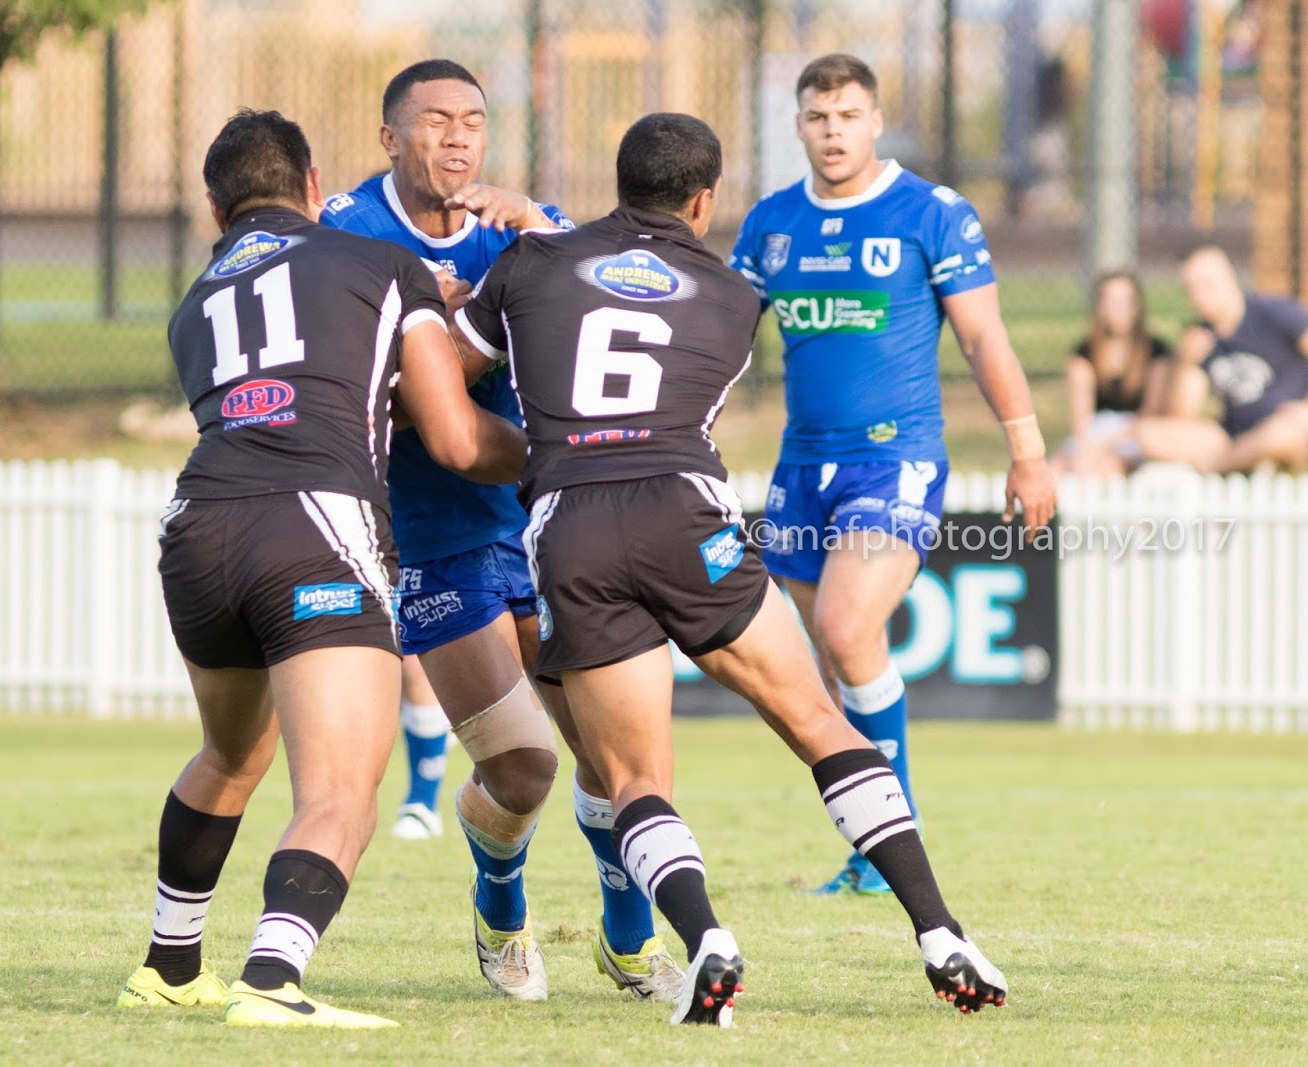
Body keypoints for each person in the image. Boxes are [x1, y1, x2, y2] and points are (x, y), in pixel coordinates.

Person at [453, 110, 1009, 1027]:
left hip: (573, 525)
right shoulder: (731, 298)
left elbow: (453, 361)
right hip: (688, 515)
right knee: (814, 717)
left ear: (617, 178)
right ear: (704, 201)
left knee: (634, 779)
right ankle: (939, 928)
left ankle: (705, 935)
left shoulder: (527, 266)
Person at [115, 108, 526, 1029]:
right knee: (339, 791)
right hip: (315, 526)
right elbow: (457, 438)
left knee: (230, 753)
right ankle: (272, 974)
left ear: (214, 214)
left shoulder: (195, 304)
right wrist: (546, 453)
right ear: (313, 188)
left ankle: (170, 966)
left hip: (196, 527)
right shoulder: (379, 264)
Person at [321, 58, 684, 1001]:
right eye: (435, 121)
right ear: (390, 137)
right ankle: (499, 897)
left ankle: (628, 935)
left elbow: (611, 320)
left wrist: (549, 234)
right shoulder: (347, 237)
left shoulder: (525, 230)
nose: (457, 138)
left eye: (473, 122)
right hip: (437, 534)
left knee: (616, 761)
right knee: (523, 769)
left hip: (548, 524)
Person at [730, 54, 1056, 897]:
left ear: (876, 122)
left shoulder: (931, 213)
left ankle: (894, 832)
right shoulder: (770, 223)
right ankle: (872, 845)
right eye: (816, 116)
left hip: (896, 457)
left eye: (847, 115)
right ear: (797, 126)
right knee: (833, 671)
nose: (832, 131)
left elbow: (985, 340)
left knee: (845, 626)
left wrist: (1028, 452)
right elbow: (723, 345)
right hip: (803, 467)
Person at [1128, 246, 1308, 474]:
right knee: (1148, 434)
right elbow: (1182, 416)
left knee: (1286, 432)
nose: (1199, 296)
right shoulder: (1200, 337)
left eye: (1206, 285)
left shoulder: (1274, 313)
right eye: (1191, 289)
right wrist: (1185, 364)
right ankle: (1250, 460)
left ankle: (1221, 465)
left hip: (1283, 424)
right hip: (1232, 434)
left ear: (1230, 276)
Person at [1051, 272, 1172, 476]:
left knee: (1107, 468)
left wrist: (1106, 446)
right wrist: (1089, 448)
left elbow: (1151, 413)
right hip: (1097, 432)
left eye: (1125, 302)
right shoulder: (1084, 354)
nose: (1118, 309)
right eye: (1111, 302)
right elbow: (1081, 420)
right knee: (1056, 467)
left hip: (1136, 434)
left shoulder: (1156, 352)